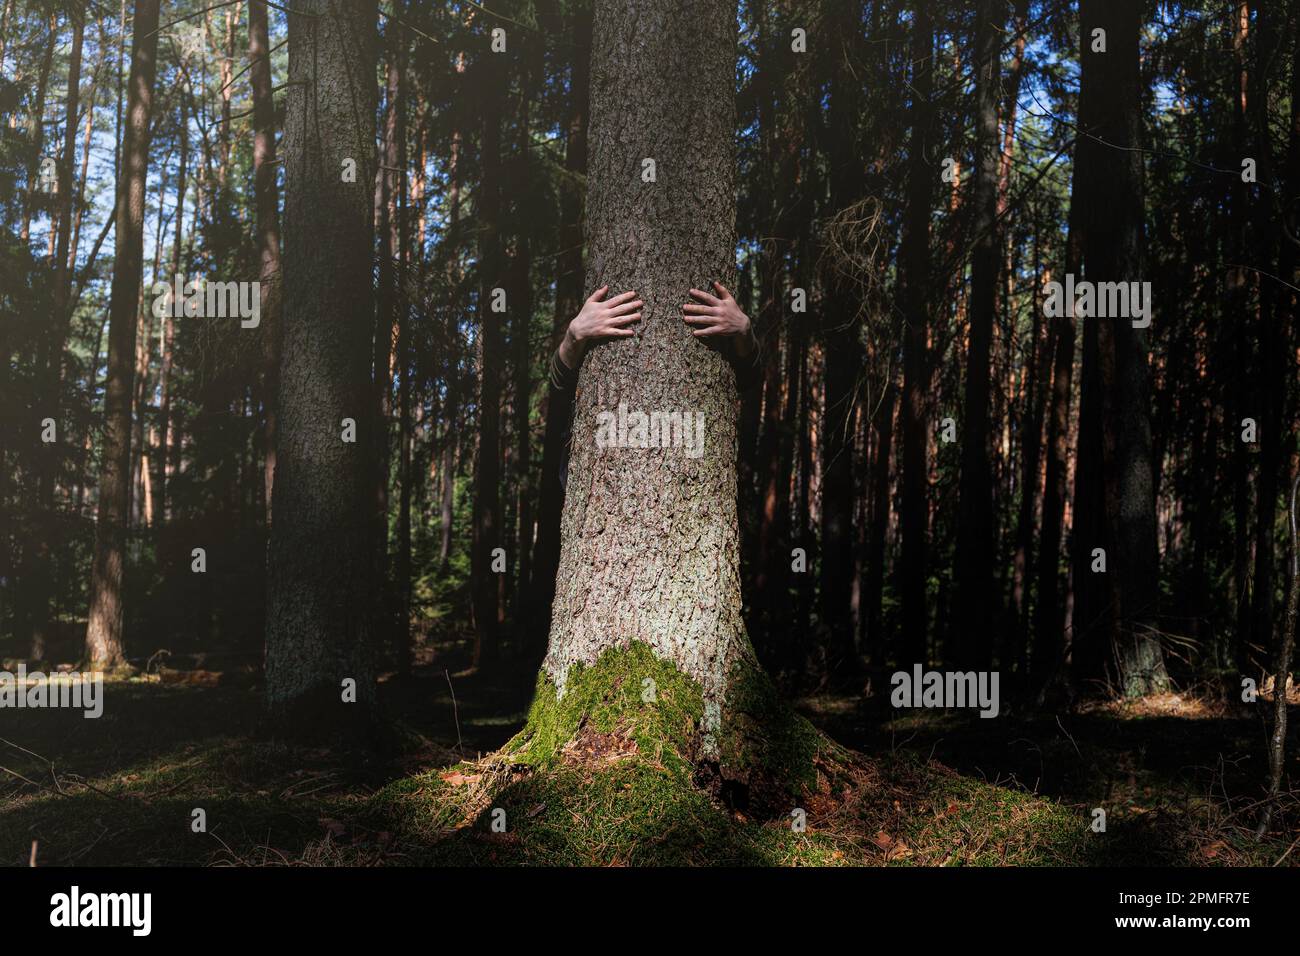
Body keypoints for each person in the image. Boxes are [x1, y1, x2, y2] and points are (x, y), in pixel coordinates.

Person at [548, 280, 763, 393]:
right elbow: (559, 385)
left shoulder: (730, 340)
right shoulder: (590, 324)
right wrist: (574, 334)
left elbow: (749, 381)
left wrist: (744, 328)